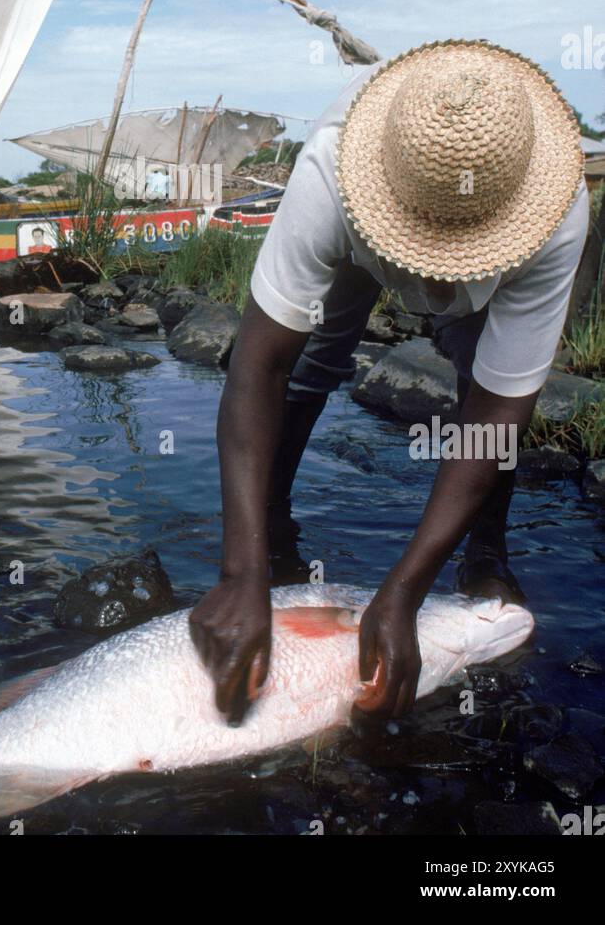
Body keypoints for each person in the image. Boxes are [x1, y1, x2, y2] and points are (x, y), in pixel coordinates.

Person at [189, 39, 588, 727]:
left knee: (477, 382)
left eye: (454, 260)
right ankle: (273, 524)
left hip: (496, 295)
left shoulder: (556, 216)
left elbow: (497, 412)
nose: (426, 291)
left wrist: (405, 589)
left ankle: (483, 549)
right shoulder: (331, 170)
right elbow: (259, 365)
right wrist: (241, 569)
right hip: (351, 235)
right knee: (314, 361)